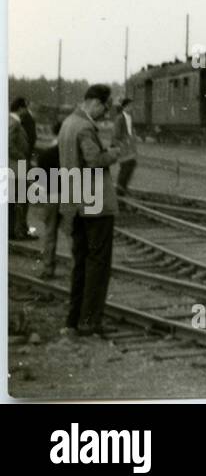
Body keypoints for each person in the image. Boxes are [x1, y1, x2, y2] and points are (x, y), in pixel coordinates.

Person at [58, 84, 120, 337]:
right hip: (94, 204)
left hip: (75, 202)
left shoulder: (68, 124)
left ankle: (74, 320)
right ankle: (90, 321)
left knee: (81, 263)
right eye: (105, 108)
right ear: (95, 102)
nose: (105, 114)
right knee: (98, 263)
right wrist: (113, 154)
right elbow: (94, 160)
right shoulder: (84, 127)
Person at [37, 119, 64, 278]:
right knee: (73, 235)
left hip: (51, 196)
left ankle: (48, 268)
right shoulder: (71, 153)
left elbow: (40, 180)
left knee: (50, 233)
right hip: (69, 198)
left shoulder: (46, 154)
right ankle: (78, 271)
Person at [8, 103, 32, 239]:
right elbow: (8, 144)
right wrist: (22, 156)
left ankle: (13, 230)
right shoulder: (14, 123)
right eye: (25, 108)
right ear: (20, 108)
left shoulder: (12, 122)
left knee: (13, 201)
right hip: (16, 167)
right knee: (18, 200)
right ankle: (15, 231)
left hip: (14, 167)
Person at [113, 98, 138, 195]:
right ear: (125, 107)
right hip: (123, 146)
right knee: (125, 167)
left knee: (132, 164)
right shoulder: (119, 118)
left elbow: (131, 131)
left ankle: (123, 187)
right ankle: (120, 190)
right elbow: (116, 134)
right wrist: (124, 140)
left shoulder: (130, 117)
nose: (132, 108)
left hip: (130, 147)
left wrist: (132, 138)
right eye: (130, 106)